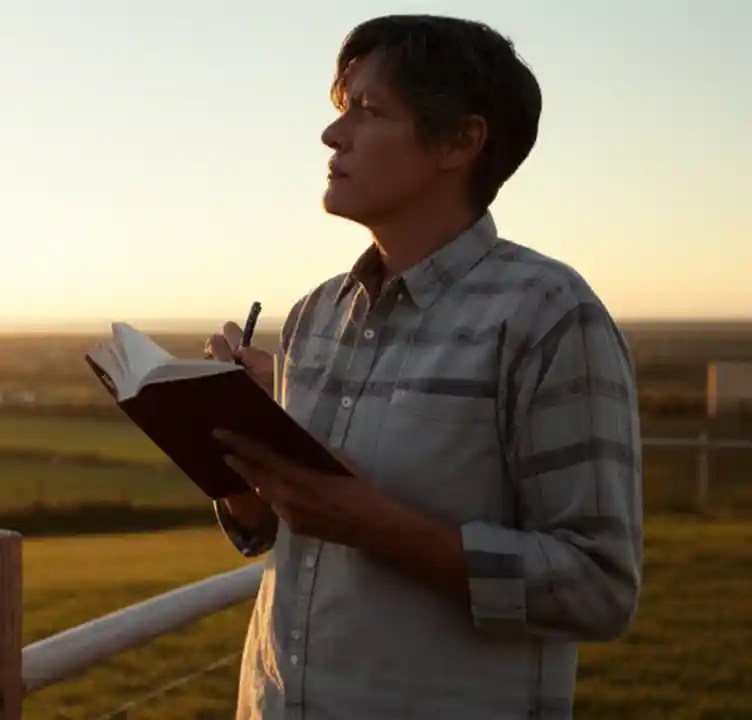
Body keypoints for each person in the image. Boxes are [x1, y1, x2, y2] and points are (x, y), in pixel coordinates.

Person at [204, 14, 643, 720]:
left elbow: (599, 588)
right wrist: (239, 458)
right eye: (340, 109)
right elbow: (276, 534)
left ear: (461, 141)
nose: (332, 135)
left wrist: (381, 525)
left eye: (368, 111)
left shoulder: (549, 316)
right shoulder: (315, 315)